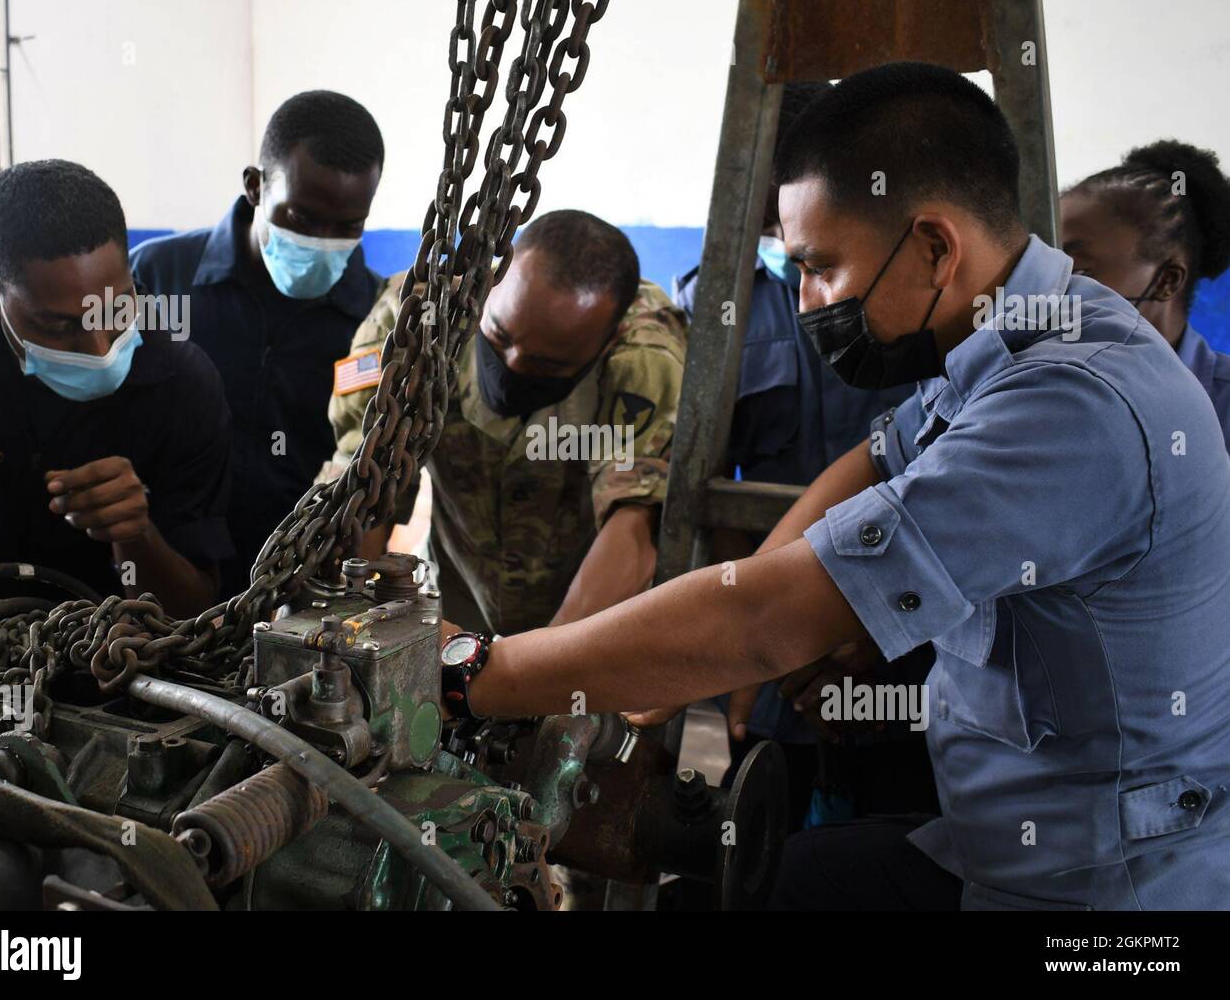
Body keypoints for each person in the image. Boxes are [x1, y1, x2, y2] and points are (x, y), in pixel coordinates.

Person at [438, 63, 1230, 911]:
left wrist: (477, 674)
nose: (807, 296)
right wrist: (675, 669)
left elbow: (768, 616)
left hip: (1104, 898)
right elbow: (871, 462)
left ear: (935, 247)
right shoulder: (1019, 329)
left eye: (820, 266)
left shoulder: (1076, 402)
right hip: (1001, 842)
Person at [673, 81, 930, 829]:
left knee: (891, 829)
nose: (750, 201)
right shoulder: (713, 301)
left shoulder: (906, 297)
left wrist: (863, 635)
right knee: (734, 830)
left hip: (889, 636)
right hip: (752, 639)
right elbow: (704, 490)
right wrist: (742, 638)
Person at [324, 210, 687, 635]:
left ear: (605, 342)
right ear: (490, 285)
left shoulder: (644, 356)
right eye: (499, 337)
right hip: (456, 601)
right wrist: (345, 627)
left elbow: (634, 527)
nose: (513, 364)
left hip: (592, 613)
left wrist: (542, 668)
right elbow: (364, 492)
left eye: (546, 363)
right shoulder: (413, 322)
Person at [0, 160, 232, 615]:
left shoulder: (183, 387)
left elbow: (193, 613)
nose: (99, 348)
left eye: (116, 309)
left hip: (102, 664)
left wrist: (135, 535)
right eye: (59, 325)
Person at [131, 91, 385, 597]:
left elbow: (371, 465)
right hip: (161, 573)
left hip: (300, 585)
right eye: (302, 219)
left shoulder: (372, 319)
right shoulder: (159, 276)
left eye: (347, 226)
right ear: (255, 186)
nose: (323, 240)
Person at [1061, 140, 1230, 447]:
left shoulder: (1223, 409)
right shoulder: (1033, 385)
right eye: (1044, 261)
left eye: (1078, 269)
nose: (1051, 287)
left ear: (1166, 281)